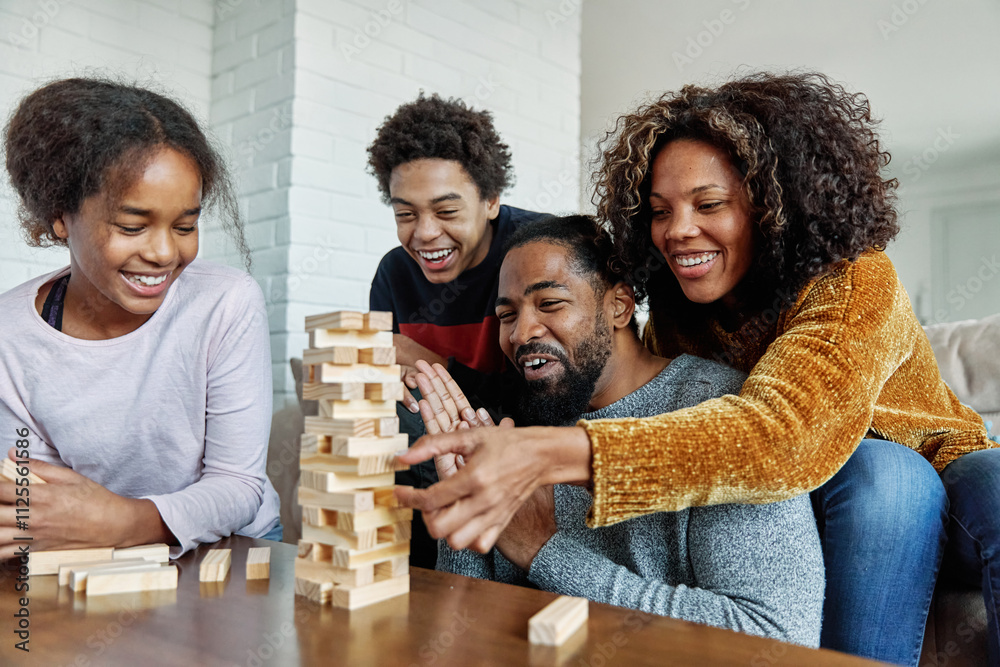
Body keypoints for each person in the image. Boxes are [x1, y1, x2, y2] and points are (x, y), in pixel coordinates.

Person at [396, 72, 998, 666]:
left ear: (770, 206)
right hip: (797, 494)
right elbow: (655, 397)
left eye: (708, 204)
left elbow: (785, 437)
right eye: (660, 211)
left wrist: (552, 456)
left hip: (920, 468)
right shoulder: (678, 311)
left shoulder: (852, 279)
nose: (679, 230)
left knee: (889, 475)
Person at [414, 216, 823, 646]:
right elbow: (465, 628)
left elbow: (774, 637)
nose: (520, 333)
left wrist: (543, 548)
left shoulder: (718, 410)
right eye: (506, 314)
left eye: (549, 303)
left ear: (620, 306)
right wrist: (466, 520)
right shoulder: (534, 419)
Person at [0, 78, 281, 559]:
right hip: (89, 553)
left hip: (231, 546)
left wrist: (121, 521)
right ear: (60, 215)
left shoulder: (226, 303)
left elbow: (237, 486)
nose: (164, 253)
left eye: (186, 226)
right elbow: (36, 501)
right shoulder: (10, 333)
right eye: (132, 226)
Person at [366, 93, 545, 567]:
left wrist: (428, 362)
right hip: (437, 442)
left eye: (446, 211)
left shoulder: (537, 252)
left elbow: (554, 397)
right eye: (405, 214)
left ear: (491, 200)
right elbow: (388, 387)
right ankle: (404, 580)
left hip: (525, 436)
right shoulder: (394, 274)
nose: (424, 234)